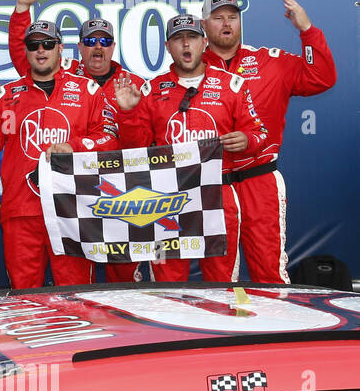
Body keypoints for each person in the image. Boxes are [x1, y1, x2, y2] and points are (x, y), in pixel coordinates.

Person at [9, 0, 148, 281]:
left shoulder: (135, 84)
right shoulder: (67, 77)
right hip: (75, 196)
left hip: (119, 190)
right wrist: (21, 11)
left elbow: (143, 141)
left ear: (113, 45)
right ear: (77, 48)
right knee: (66, 280)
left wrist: (128, 113)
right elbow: (28, 55)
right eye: (90, 41)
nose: (97, 47)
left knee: (122, 276)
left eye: (105, 40)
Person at [114, 15, 267, 282]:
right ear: (167, 46)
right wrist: (127, 113)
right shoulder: (151, 90)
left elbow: (260, 134)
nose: (186, 43)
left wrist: (247, 140)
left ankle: (220, 324)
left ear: (204, 42)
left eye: (192, 37)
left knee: (221, 282)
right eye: (178, 38)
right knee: (165, 282)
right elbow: (134, 148)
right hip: (163, 200)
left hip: (218, 198)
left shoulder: (233, 85)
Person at [200, 0, 336, 283]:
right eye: (218, 17)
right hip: (211, 185)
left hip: (259, 179)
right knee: (217, 278)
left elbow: (321, 77)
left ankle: (277, 328)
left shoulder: (269, 61)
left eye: (233, 17)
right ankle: (221, 328)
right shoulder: (190, 69)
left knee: (269, 273)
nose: (227, 23)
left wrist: (307, 30)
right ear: (203, 24)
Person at [0, 20, 118, 289]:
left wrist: (74, 146)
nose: (41, 50)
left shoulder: (87, 90)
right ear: (27, 52)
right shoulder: (8, 95)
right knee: (25, 297)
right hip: (22, 212)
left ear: (60, 49)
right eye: (33, 45)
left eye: (48, 44)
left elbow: (109, 139)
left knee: (77, 295)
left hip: (72, 209)